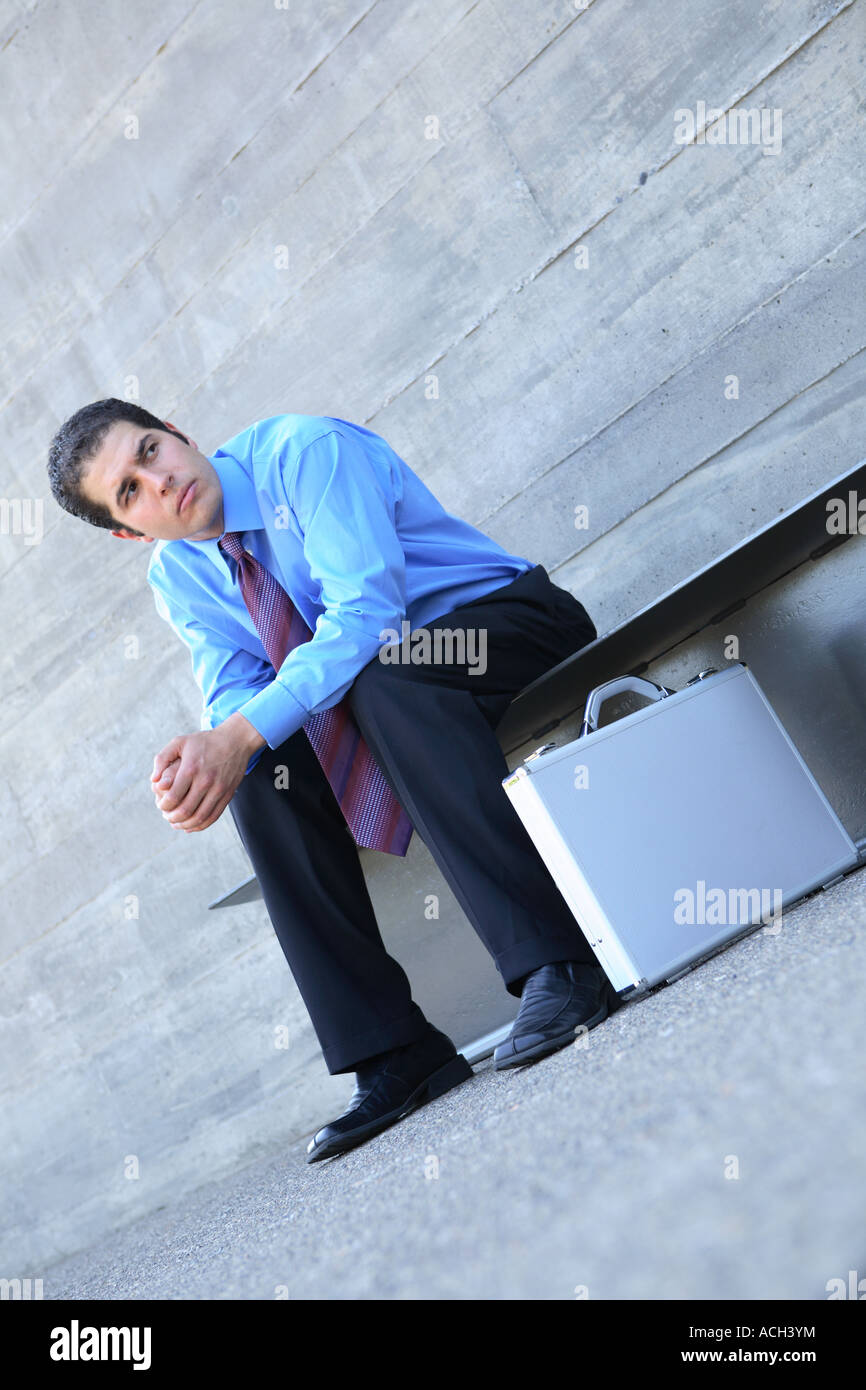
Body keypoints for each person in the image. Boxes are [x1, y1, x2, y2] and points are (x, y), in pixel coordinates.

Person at [47, 399, 616, 1163]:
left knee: (377, 677)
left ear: (178, 432)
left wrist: (240, 733)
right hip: (393, 690)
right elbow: (234, 693)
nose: (159, 479)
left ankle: (561, 962)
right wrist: (210, 758)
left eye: (150, 450)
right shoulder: (177, 575)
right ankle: (394, 1052)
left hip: (502, 628)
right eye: (129, 491)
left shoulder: (303, 452)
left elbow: (368, 618)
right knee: (256, 771)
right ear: (127, 531)